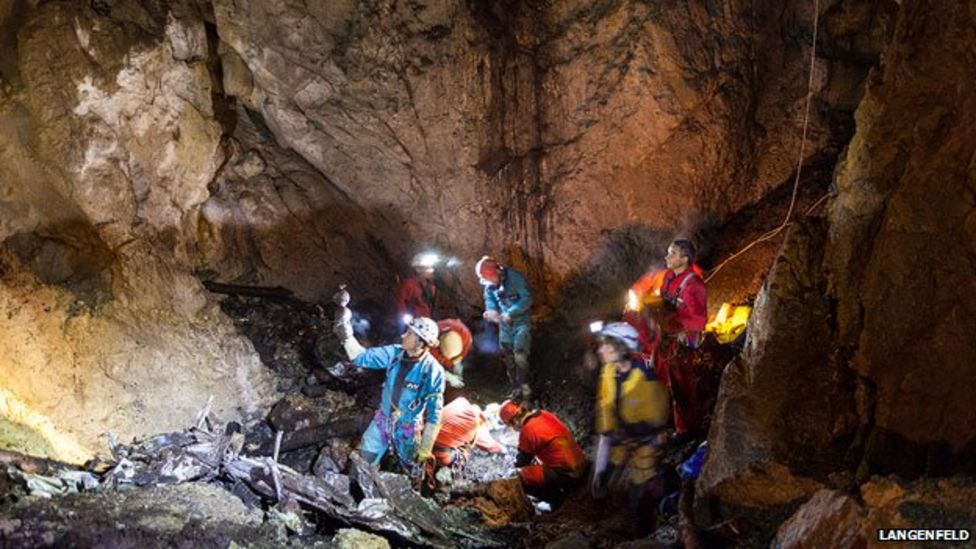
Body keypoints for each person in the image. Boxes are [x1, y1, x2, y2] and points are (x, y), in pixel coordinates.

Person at [334, 315, 445, 473]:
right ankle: (357, 491)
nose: (403, 335)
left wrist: (426, 447)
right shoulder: (394, 354)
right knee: (362, 464)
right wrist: (346, 336)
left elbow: (435, 414)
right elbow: (361, 357)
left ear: (420, 342)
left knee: (405, 471)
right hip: (382, 422)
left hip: (407, 431)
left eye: (409, 333)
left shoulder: (433, 372)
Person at [591, 322, 670, 535]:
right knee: (603, 479)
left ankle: (644, 531)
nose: (600, 350)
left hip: (645, 442)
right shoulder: (608, 372)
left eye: (607, 346)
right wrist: (602, 465)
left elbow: (657, 420)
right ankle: (606, 519)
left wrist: (631, 436)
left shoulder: (645, 378)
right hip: (620, 437)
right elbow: (605, 408)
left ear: (621, 348)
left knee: (641, 491)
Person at [660, 239, 708, 438]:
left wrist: (677, 326)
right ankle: (666, 419)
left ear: (685, 258)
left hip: (683, 342)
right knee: (667, 380)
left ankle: (686, 430)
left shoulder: (694, 285)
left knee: (682, 385)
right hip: (668, 337)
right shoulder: (669, 277)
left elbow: (699, 320)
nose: (667, 257)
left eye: (672, 254)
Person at [499, 400, 586, 504]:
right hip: (580, 463)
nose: (513, 429)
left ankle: (556, 501)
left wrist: (512, 470)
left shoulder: (527, 430)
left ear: (515, 421)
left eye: (510, 426)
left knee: (520, 477)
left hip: (569, 475)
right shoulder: (544, 414)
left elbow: (522, 462)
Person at [476, 256, 533, 400]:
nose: (488, 283)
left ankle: (525, 389)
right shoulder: (489, 284)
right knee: (508, 357)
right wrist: (491, 312)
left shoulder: (515, 278)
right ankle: (515, 389)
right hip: (505, 325)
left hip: (521, 322)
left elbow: (527, 298)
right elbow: (490, 301)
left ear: (496, 272)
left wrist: (510, 313)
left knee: (520, 355)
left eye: (488, 279)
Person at [431, 397, 502, 476]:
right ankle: (450, 471)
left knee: (462, 438)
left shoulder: (461, 402)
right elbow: (492, 448)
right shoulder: (476, 426)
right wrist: (503, 449)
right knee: (466, 451)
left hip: (423, 437)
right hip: (436, 452)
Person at [395, 253, 438, 325]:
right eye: (427, 268)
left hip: (425, 324)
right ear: (418, 269)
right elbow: (400, 303)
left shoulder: (431, 288)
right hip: (411, 323)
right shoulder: (409, 284)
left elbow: (431, 308)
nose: (431, 271)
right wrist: (405, 320)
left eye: (431, 268)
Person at [429, 318, 473, 389]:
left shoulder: (466, 338)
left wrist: (457, 363)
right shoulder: (429, 343)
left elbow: (458, 357)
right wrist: (447, 376)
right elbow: (428, 366)